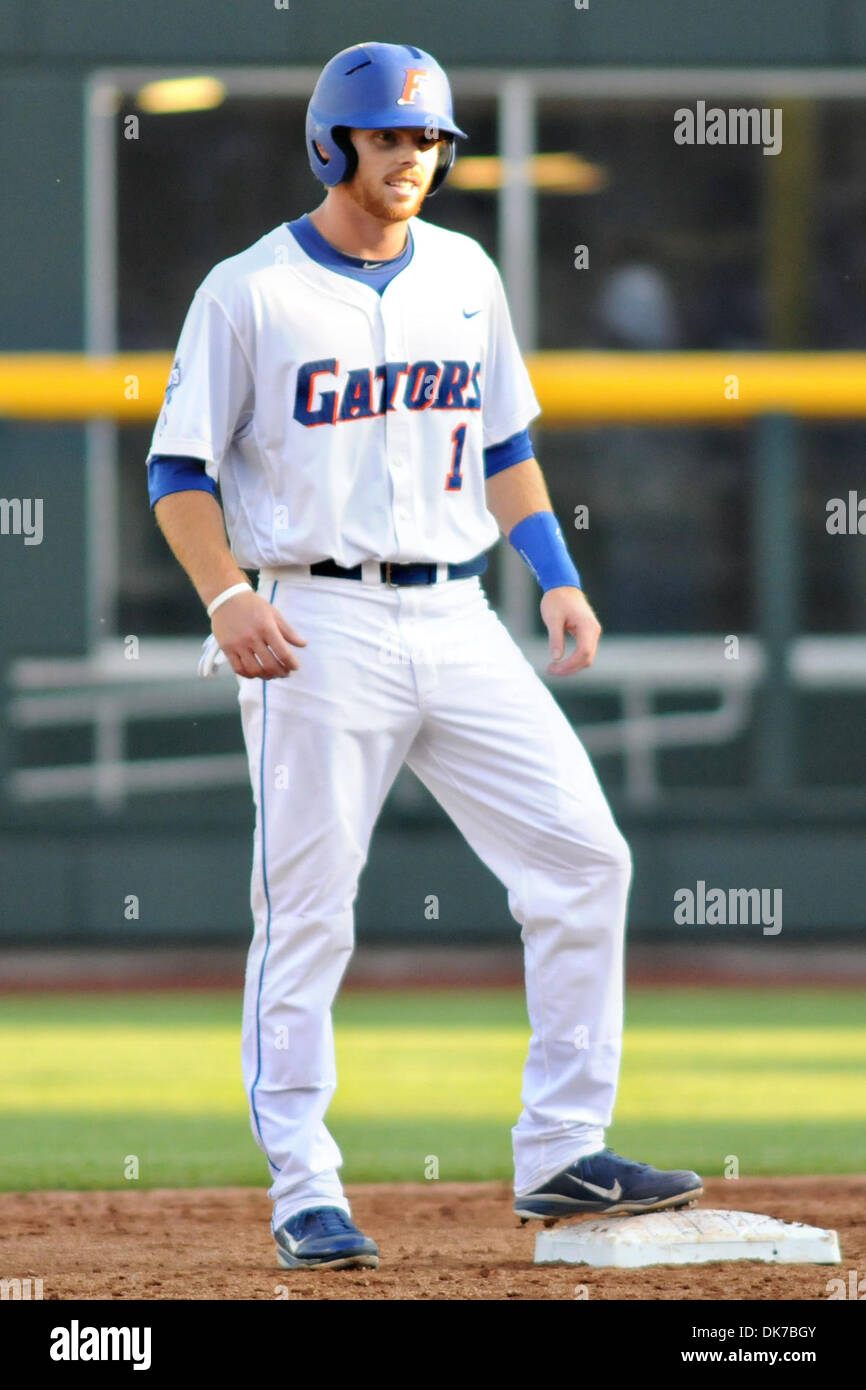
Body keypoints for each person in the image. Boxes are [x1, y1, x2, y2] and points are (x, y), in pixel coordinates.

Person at [146, 41, 702, 1273]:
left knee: (583, 859)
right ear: (332, 144)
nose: (409, 158)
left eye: (427, 141)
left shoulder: (463, 271)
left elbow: (504, 445)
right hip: (313, 621)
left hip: (457, 616)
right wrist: (226, 593)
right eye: (387, 137)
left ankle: (563, 1150)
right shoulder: (247, 291)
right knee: (309, 916)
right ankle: (305, 1187)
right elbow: (176, 470)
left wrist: (555, 576)